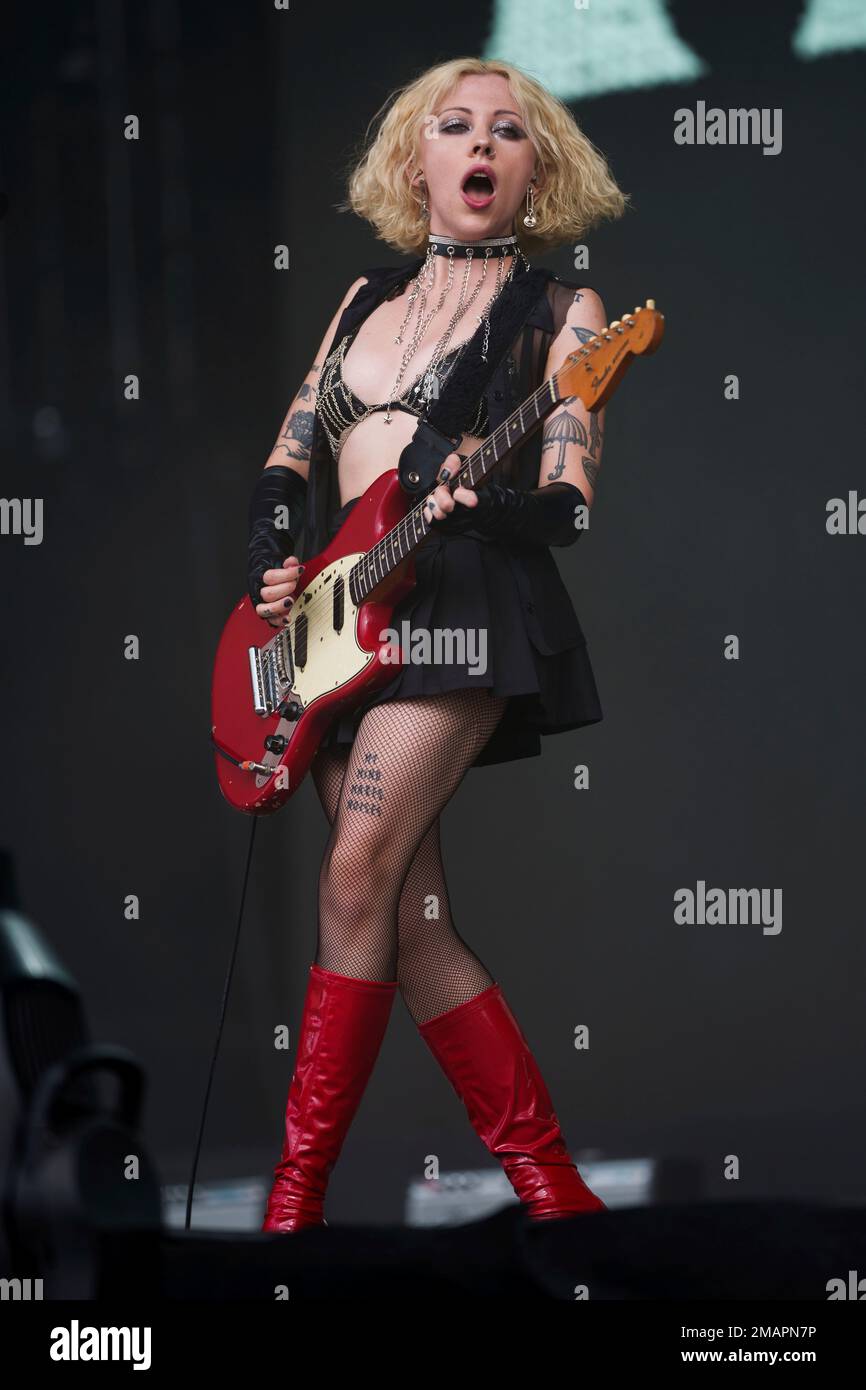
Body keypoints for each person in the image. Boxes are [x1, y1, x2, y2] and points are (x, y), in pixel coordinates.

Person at [247, 57, 627, 1231]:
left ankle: (293, 1203)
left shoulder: (562, 314)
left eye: (507, 131)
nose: (479, 144)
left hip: (461, 600)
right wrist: (274, 557)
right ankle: (555, 1194)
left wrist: (481, 500)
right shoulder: (361, 300)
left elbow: (565, 503)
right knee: (404, 919)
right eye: (453, 126)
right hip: (329, 620)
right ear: (415, 161)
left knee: (355, 870)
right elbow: (289, 453)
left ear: (534, 170)